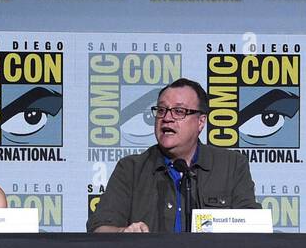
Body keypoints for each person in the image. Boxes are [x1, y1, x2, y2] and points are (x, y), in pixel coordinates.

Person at [88, 78, 256, 233]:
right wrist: (123, 233)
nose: (167, 118)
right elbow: (99, 229)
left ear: (201, 121)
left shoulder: (231, 166)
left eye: (179, 111)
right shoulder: (131, 169)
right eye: (161, 110)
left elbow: (253, 229)